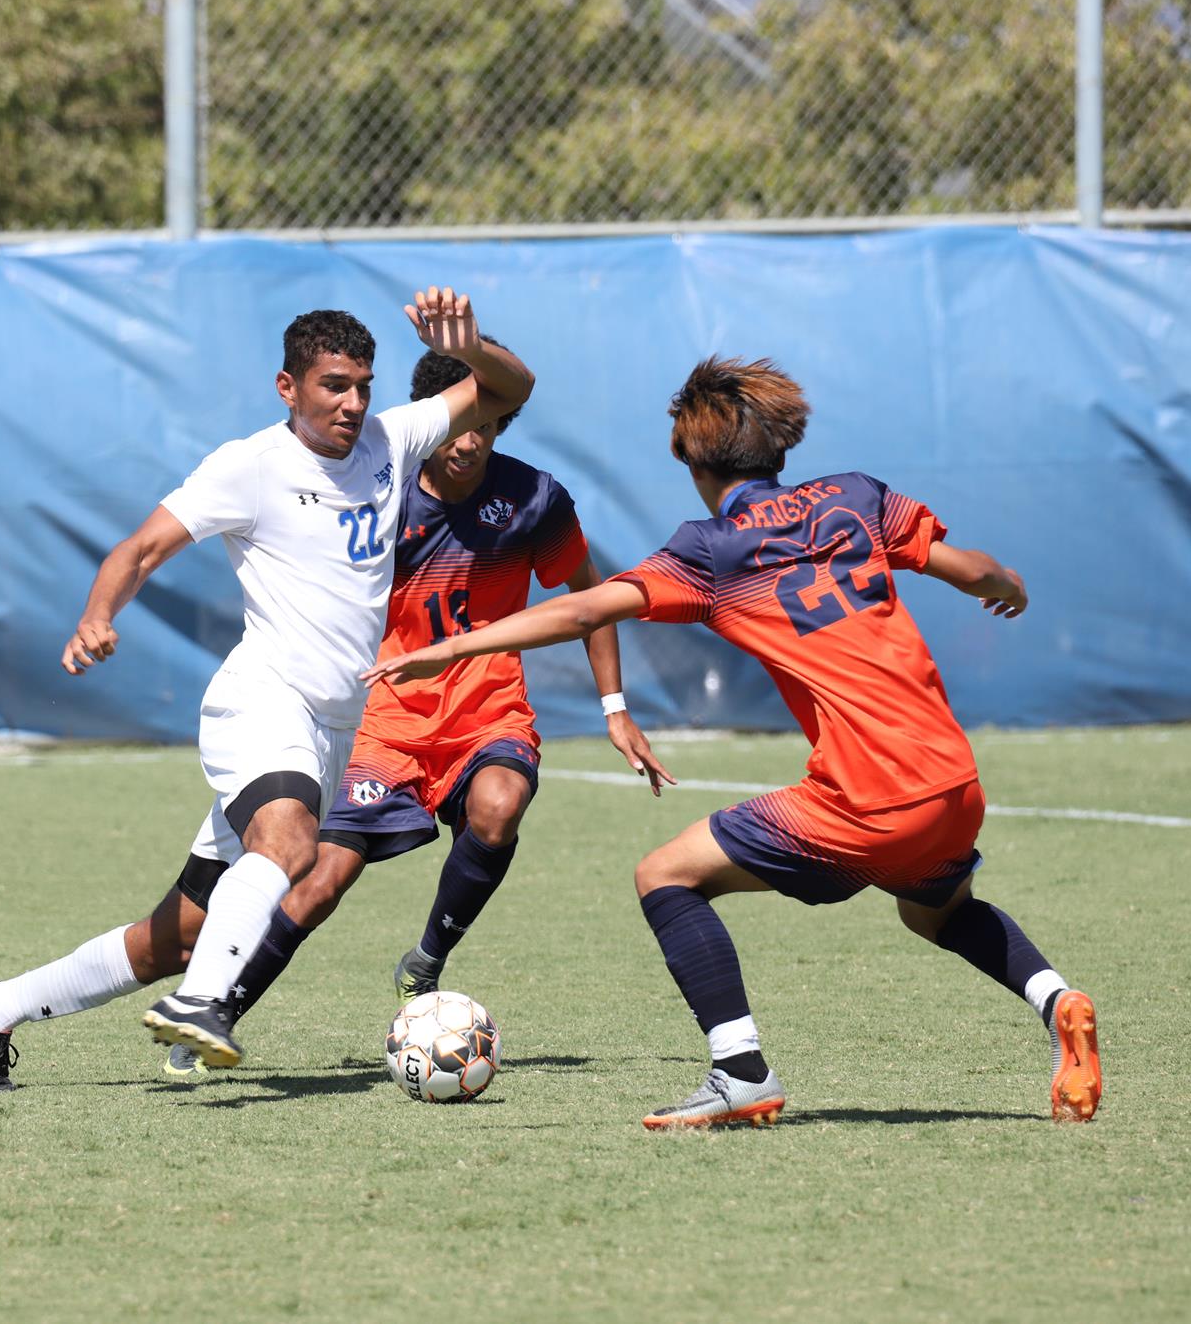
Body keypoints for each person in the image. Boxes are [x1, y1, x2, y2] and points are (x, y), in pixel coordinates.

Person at [365, 356, 1101, 1127]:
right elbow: (973, 571)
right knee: (937, 914)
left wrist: (453, 647)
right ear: (776, 446)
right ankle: (1056, 999)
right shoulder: (856, 497)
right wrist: (1005, 584)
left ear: (692, 461)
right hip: (953, 781)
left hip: (868, 796)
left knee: (666, 876)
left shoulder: (712, 550)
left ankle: (740, 1071)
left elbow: (585, 609)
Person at [0, 290, 534, 1091]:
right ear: (287, 387)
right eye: (333, 386)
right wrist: (96, 615)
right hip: (262, 702)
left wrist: (467, 347)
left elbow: (511, 387)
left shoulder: (392, 438)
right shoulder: (250, 466)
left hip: (332, 730)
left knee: (178, 937)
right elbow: (139, 549)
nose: (352, 403)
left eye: (363, 386)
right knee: (290, 848)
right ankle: (202, 1004)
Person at [160, 343, 673, 1079]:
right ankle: (219, 1010)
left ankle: (427, 959)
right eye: (460, 426)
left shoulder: (534, 498)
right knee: (320, 880)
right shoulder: (376, 493)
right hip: (383, 718)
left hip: (487, 710)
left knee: (499, 807)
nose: (470, 442)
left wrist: (614, 708)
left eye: (488, 427)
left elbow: (591, 599)